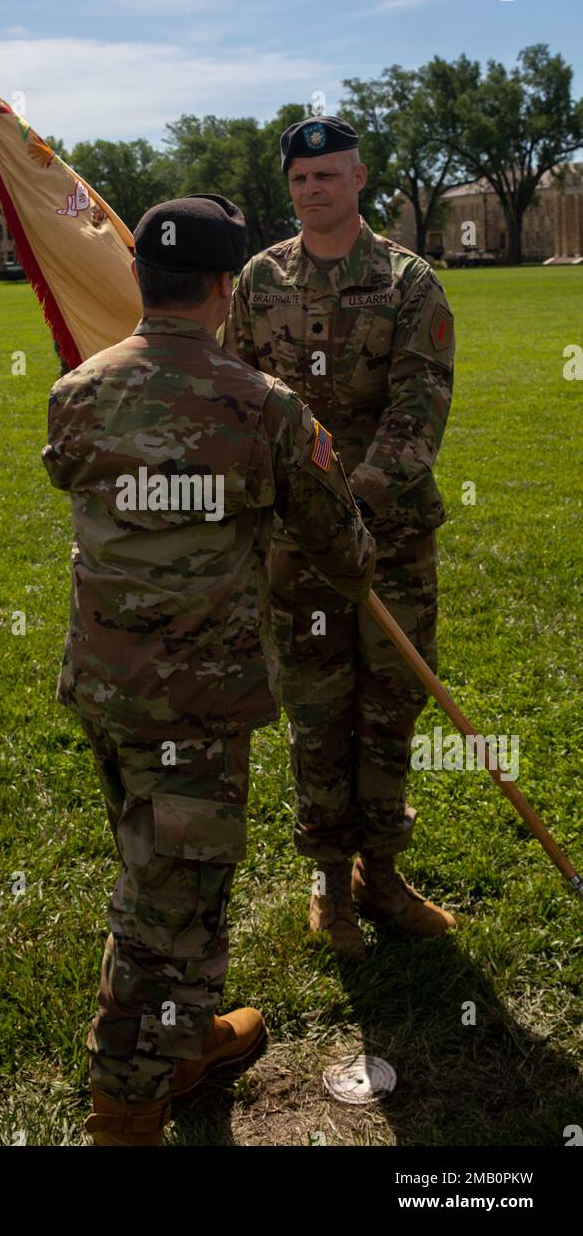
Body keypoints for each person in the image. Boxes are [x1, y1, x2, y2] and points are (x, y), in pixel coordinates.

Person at [42, 193, 376, 1146]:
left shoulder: (77, 391)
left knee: (167, 868)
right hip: (193, 699)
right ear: (227, 289)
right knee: (164, 900)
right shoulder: (264, 408)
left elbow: (71, 473)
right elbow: (336, 542)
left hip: (105, 685)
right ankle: (126, 1103)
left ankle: (184, 1044)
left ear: (143, 278)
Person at [223, 115, 457, 960]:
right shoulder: (256, 281)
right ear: (289, 190)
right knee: (318, 707)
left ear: (359, 180)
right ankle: (328, 880)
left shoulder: (407, 281)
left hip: (387, 538)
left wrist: (352, 501)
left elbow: (420, 403)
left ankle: (383, 874)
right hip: (295, 547)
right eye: (299, 180)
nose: (313, 190)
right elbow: (237, 392)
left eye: (328, 175)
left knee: (390, 702)